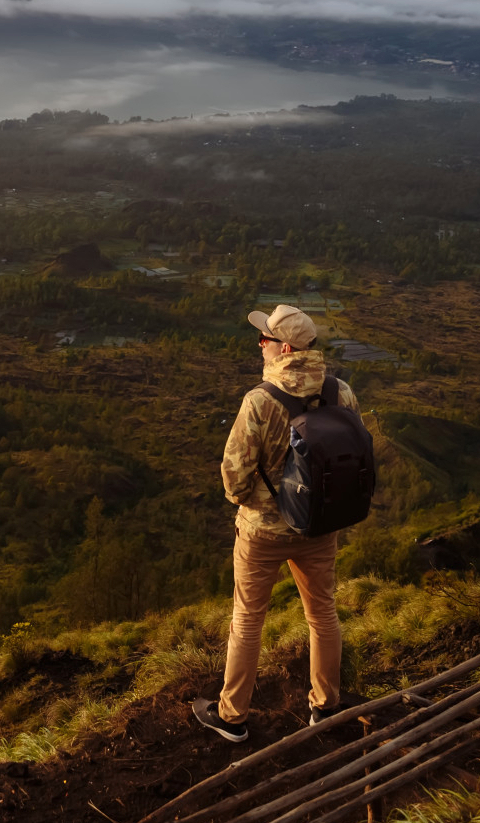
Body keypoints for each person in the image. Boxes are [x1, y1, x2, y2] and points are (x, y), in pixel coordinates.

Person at [192, 303, 360, 743]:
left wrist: (252, 504)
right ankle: (326, 707)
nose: (260, 345)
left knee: (247, 619)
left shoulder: (261, 401)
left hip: (263, 531)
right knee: (323, 614)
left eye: (264, 339)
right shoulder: (340, 393)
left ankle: (232, 717)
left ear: (284, 347)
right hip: (320, 526)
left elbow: (233, 475)